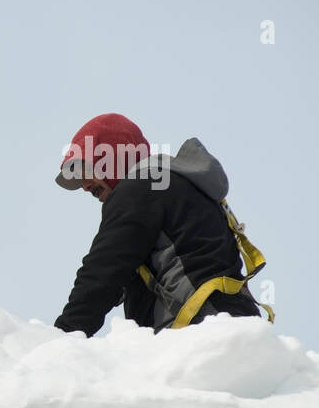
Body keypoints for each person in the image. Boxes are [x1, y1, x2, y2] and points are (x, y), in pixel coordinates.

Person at [53, 113, 271, 337]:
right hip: (233, 326)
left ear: (116, 155)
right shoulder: (169, 186)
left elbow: (102, 273)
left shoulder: (139, 188)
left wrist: (63, 339)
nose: (84, 186)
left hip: (201, 332)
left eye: (83, 169)